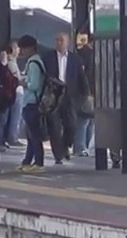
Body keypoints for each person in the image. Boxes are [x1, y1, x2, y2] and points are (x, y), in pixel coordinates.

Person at [43, 31, 86, 165]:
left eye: (61, 40)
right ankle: (58, 155)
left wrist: (86, 94)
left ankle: (65, 145)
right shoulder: (48, 57)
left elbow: (81, 77)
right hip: (53, 95)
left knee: (71, 125)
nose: (59, 43)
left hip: (69, 95)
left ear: (67, 42)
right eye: (57, 40)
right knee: (54, 126)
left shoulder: (75, 59)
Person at [18, 35, 47, 173]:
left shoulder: (33, 63)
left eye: (23, 48)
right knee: (30, 135)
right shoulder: (35, 61)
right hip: (31, 102)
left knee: (34, 135)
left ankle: (39, 162)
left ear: (30, 48)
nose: (21, 51)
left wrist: (23, 83)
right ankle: (27, 161)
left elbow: (34, 85)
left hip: (32, 102)